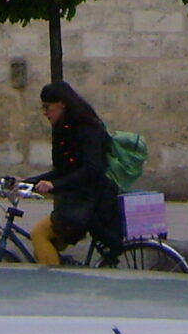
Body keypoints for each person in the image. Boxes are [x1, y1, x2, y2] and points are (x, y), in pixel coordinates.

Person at [26, 80, 121, 266]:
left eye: (47, 107)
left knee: (38, 233)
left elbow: (91, 170)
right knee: (48, 245)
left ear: (62, 103)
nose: (44, 113)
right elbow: (62, 170)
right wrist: (31, 181)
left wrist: (54, 185)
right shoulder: (66, 128)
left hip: (91, 205)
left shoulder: (87, 129)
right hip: (77, 204)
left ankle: (54, 282)